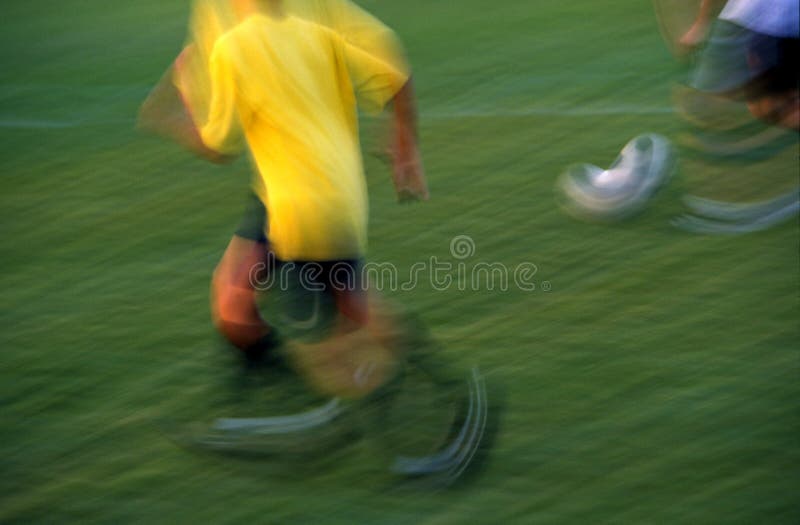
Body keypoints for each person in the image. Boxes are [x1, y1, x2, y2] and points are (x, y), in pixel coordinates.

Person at [140, 0, 429, 397]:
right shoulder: (215, 14)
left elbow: (219, 146)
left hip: (306, 193)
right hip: (283, 184)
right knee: (234, 305)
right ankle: (286, 402)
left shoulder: (307, 10)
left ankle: (402, 397)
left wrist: (173, 115)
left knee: (338, 328)